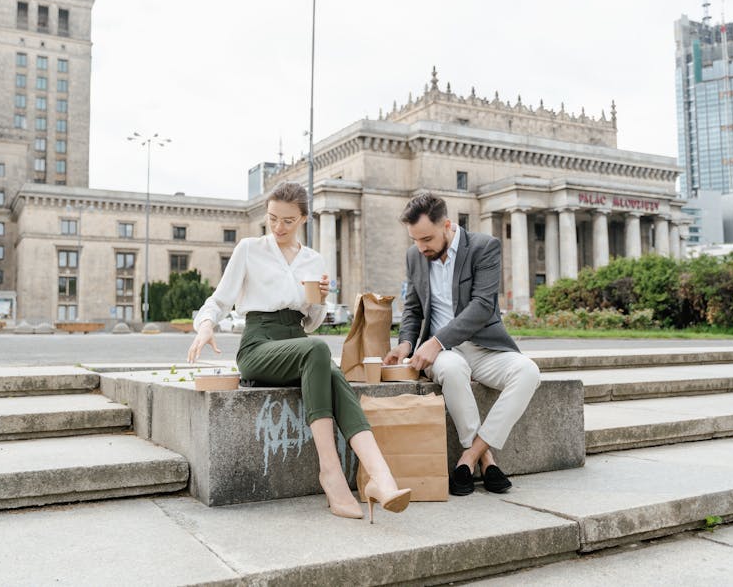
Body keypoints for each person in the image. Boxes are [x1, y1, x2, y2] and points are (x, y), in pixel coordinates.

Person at [187, 181, 410, 522]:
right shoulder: (249, 249)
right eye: (273, 218)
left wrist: (318, 299)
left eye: (288, 221)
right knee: (318, 353)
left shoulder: (314, 259)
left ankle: (382, 478)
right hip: (259, 345)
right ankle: (331, 474)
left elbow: (311, 323)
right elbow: (219, 300)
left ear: (304, 218)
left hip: (298, 339)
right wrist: (205, 325)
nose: (278, 227)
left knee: (331, 371)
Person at [383, 191, 541, 496]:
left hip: (484, 346)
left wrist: (437, 341)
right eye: (415, 239)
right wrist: (405, 344)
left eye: (426, 238)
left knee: (528, 372)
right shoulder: (414, 256)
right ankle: (487, 461)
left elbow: (483, 306)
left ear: (447, 225)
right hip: (446, 355)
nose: (420, 247)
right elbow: (414, 309)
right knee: (453, 370)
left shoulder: (483, 247)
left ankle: (470, 455)